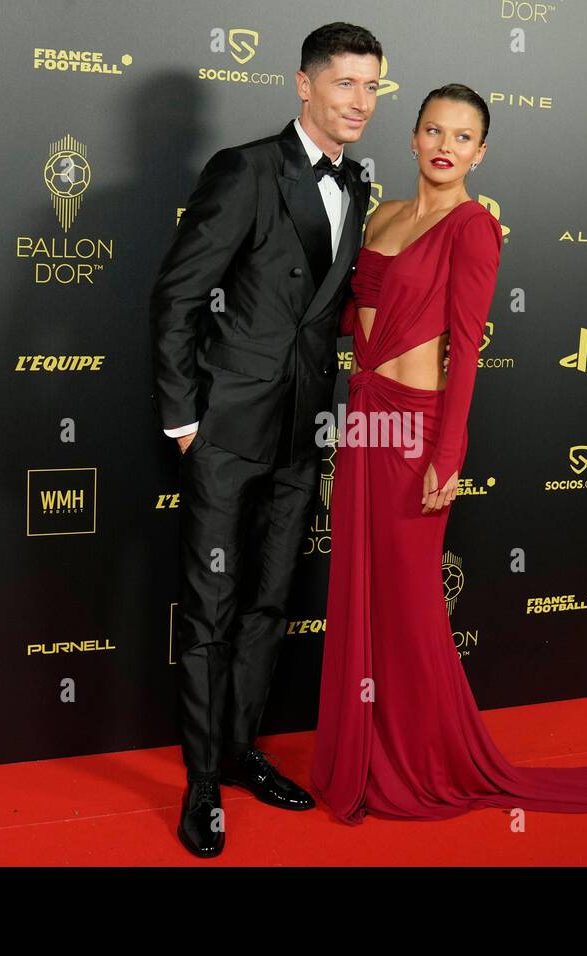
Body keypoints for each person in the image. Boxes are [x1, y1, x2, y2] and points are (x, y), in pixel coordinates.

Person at [309, 84, 587, 824]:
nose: (445, 145)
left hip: (415, 430)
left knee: (407, 601)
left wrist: (449, 452)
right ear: (411, 137)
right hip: (363, 421)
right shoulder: (384, 215)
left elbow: (464, 348)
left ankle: (427, 758)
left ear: (480, 152)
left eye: (463, 137)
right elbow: (348, 316)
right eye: (434, 129)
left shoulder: (473, 228)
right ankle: (363, 754)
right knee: (359, 593)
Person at [150, 22, 383, 857]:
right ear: (304, 84)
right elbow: (178, 296)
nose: (360, 102)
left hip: (302, 431)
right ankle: (201, 784)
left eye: (372, 87)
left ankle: (242, 748)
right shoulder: (246, 170)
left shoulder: (358, 185)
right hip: (224, 432)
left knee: (270, 602)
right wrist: (184, 419)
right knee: (211, 609)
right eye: (345, 84)